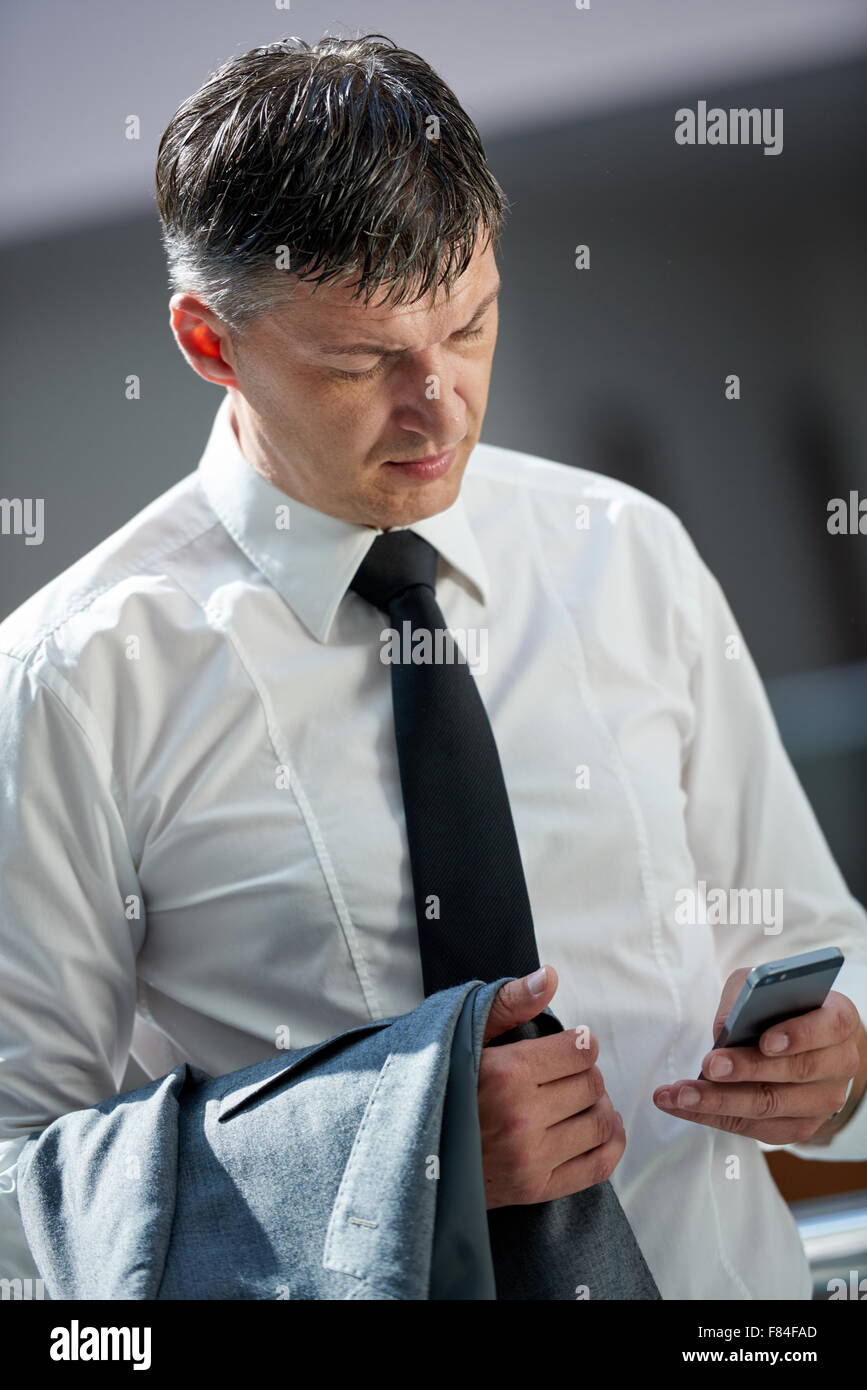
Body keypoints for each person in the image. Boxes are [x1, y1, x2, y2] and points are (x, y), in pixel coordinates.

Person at [1, 33, 866, 1302]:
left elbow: (808, 936)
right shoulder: (74, 681)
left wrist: (839, 1070)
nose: (440, 404)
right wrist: (396, 1167)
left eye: (471, 323)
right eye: (361, 361)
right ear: (208, 341)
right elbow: (20, 1189)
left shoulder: (627, 552)